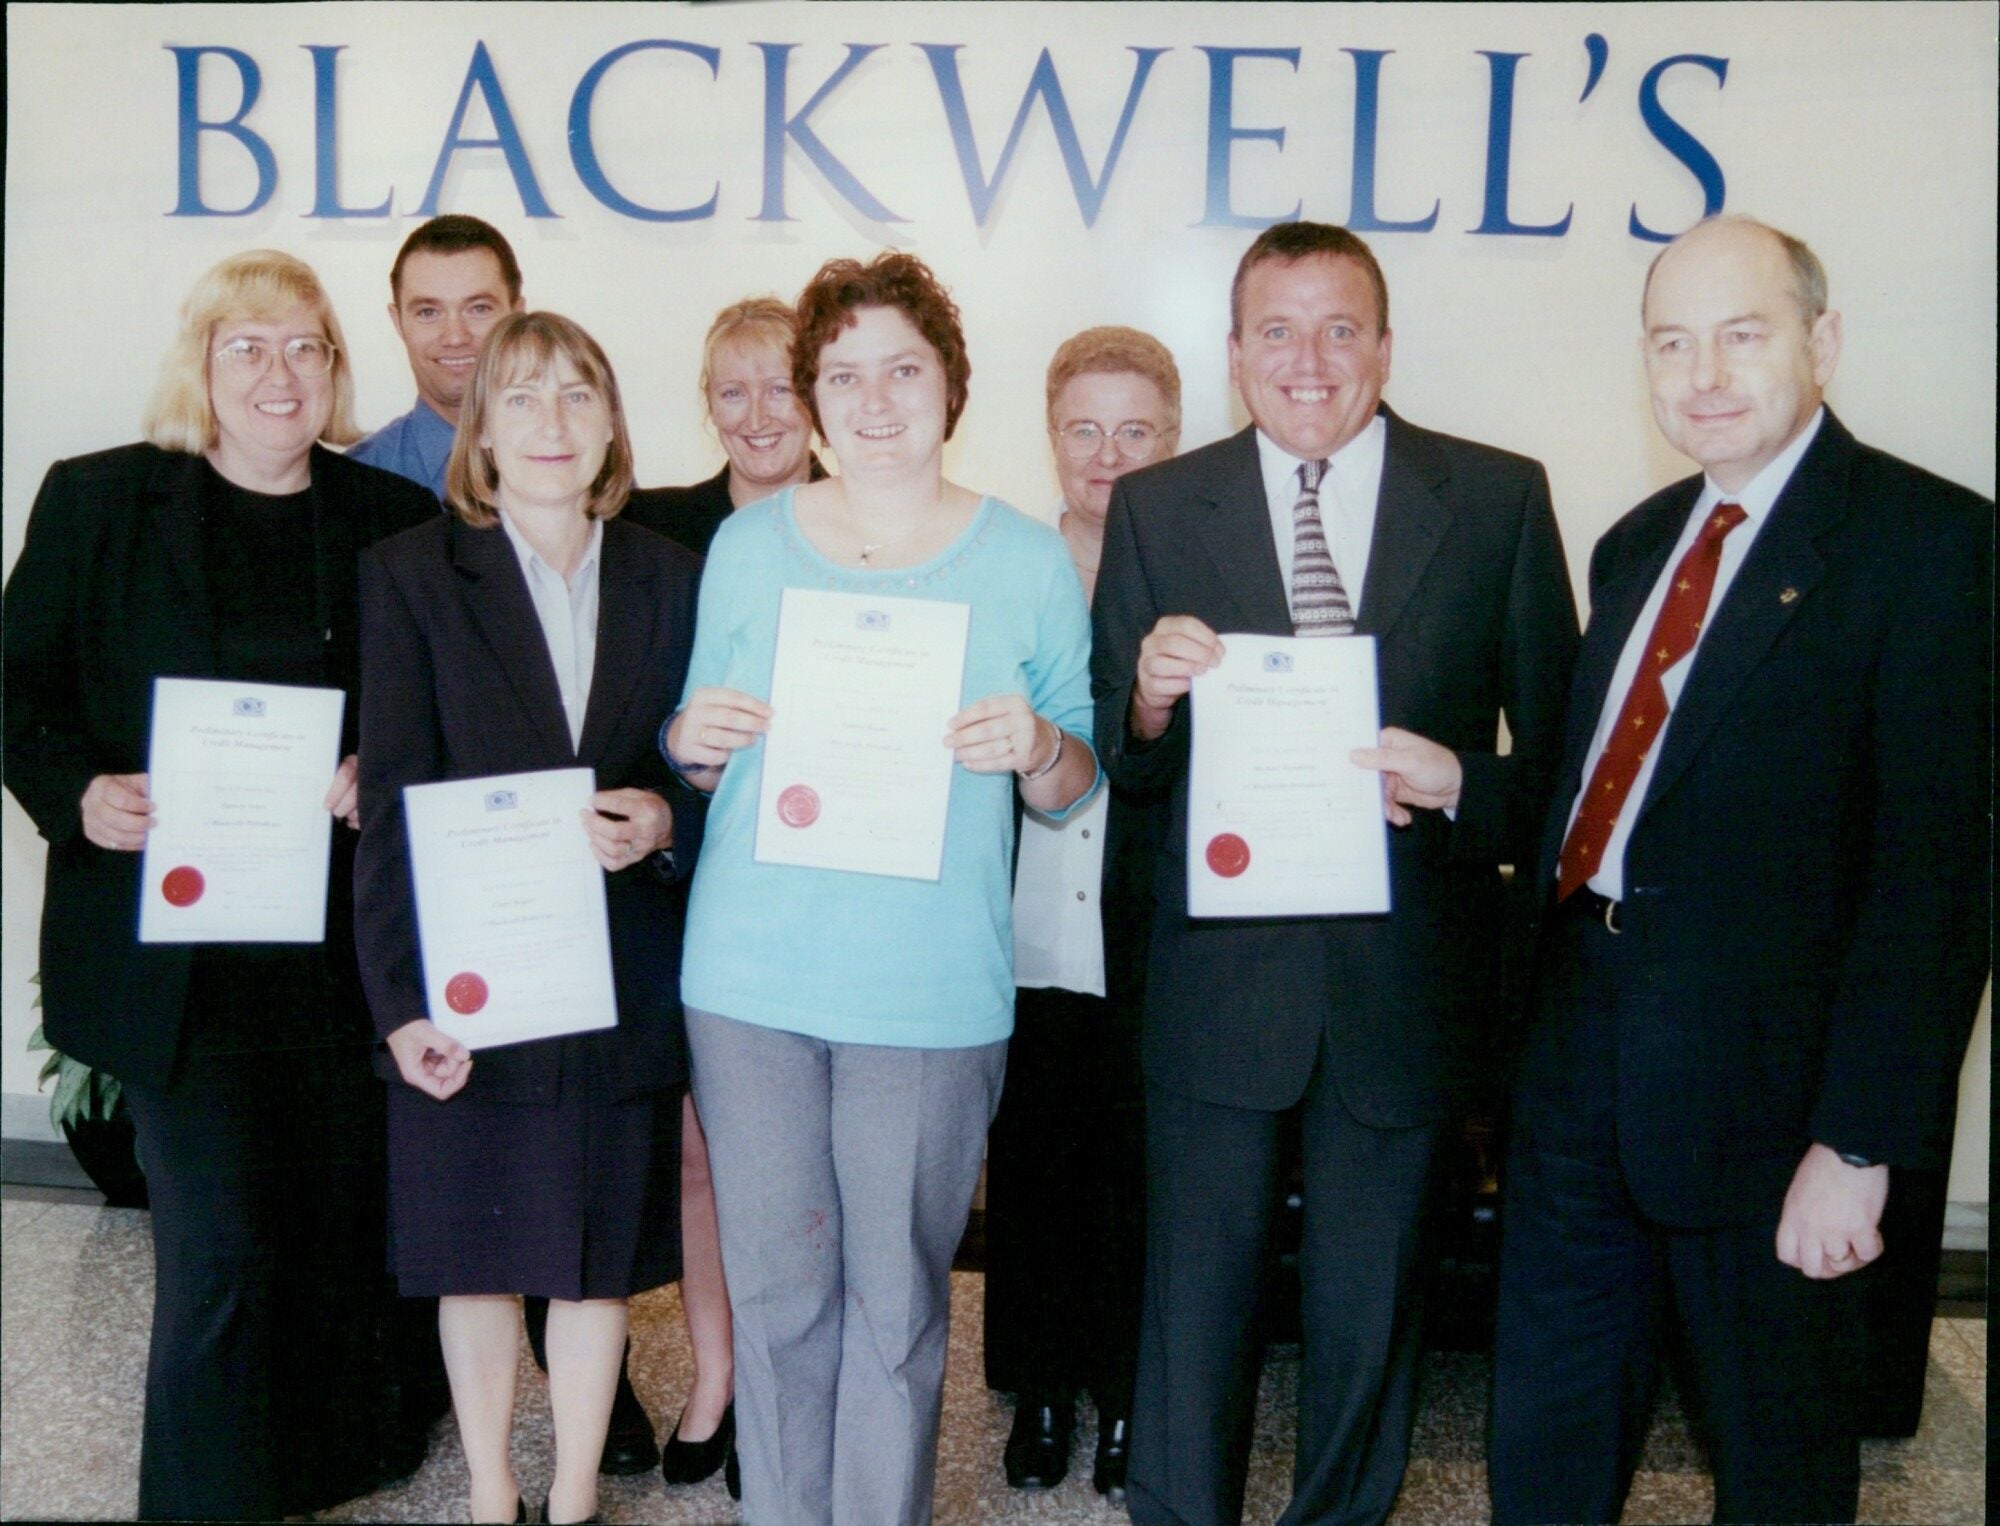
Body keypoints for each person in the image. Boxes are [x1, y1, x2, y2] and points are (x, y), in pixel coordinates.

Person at [1487, 215, 1993, 1525]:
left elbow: (1936, 884)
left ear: (1822, 341)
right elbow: (1597, 793)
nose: (1702, 373)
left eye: (1740, 335)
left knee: (1777, 1462)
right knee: (1546, 1430)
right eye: (1671, 342)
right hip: (1576, 1063)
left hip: (1775, 1106)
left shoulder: (1934, 547)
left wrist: (1859, 1143)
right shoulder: (1637, 541)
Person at [1091, 220, 1579, 1525]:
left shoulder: (1494, 501)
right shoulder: (1157, 506)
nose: (1307, 359)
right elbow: (1123, 762)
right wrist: (1145, 701)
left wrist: (1463, 779)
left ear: (1384, 346)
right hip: (1216, 986)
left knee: (1371, 1319)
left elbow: (1566, 769)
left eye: (1339, 328)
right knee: (1191, 1311)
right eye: (1276, 330)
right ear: (1234, 352)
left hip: (1402, 987)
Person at [1, 249, 439, 1521]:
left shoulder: (386, 519)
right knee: (221, 1255)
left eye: (304, 346)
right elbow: (17, 691)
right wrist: (79, 791)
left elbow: (427, 708)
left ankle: (310, 1477)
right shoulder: (99, 500)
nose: (276, 372)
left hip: (332, 961)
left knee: (320, 1244)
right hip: (174, 969)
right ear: (200, 364)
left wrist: (378, 765)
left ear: (335, 369)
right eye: (245, 344)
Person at [663, 250, 1099, 1526]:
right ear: (811, 395)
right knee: (778, 1294)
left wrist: (1037, 745)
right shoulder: (744, 546)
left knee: (897, 1304)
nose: (872, 399)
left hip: (927, 987)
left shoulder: (1022, 559)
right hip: (750, 976)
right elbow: (696, 745)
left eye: (901, 369)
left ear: (948, 384)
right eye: (842, 374)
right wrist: (688, 740)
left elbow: (1072, 783)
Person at [354, 311, 705, 1526]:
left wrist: (661, 818)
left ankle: (572, 1495)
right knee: (476, 1256)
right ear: (481, 431)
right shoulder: (411, 573)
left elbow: (702, 773)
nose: (550, 421)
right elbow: (392, 801)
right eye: (520, 397)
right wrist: (399, 1005)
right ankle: (491, 1489)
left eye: (575, 395)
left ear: (610, 422)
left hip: (617, 978)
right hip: (472, 983)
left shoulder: (672, 573)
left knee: (595, 1261)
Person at [983, 326, 1180, 1500]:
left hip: (1152, 933)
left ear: (1174, 437)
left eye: (1134, 430)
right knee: (1032, 1162)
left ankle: (1125, 1398)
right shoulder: (1008, 566)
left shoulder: (1199, 569)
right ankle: (1042, 1387)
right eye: (1083, 429)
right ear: (1050, 436)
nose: (1106, 453)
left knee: (1134, 1173)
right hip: (1017, 921)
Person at [625, 296, 827, 555]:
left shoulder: (864, 525)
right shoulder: (648, 527)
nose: (756, 420)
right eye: (734, 393)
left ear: (815, 398)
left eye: (779, 389)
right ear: (710, 404)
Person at [348, 214, 524, 503]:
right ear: (398, 323)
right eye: (428, 312)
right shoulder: (356, 482)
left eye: (479, 308)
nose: (455, 337)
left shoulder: (579, 466)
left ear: (517, 316)